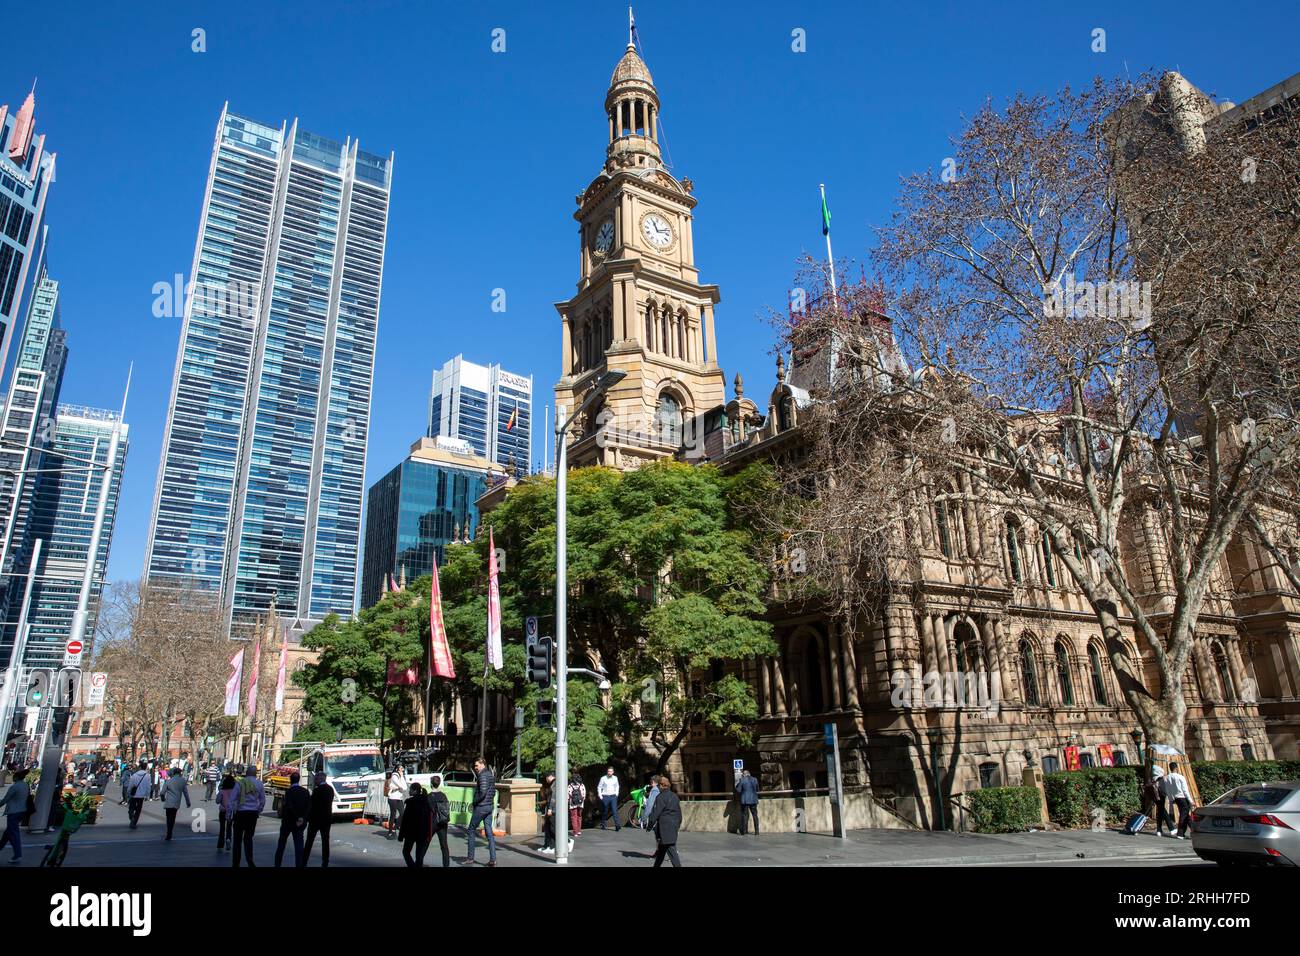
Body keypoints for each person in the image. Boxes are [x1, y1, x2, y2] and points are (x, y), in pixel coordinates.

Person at [463, 757, 497, 866]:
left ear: (483, 764)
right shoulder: (490, 775)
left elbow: (482, 792)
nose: (475, 767)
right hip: (489, 807)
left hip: (481, 807)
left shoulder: (482, 775)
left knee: (471, 830)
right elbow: (493, 792)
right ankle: (493, 859)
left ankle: (470, 858)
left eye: (477, 765)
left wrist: (474, 802)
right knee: (489, 833)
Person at [41, 792, 89, 867]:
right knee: (63, 838)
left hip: (66, 822)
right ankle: (56, 854)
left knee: (61, 838)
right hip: (69, 824)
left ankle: (54, 854)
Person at [231, 765, 266, 867]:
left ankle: (236, 862)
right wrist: (258, 811)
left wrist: (230, 812)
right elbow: (262, 800)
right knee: (248, 838)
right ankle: (249, 859)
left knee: (237, 839)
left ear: (246, 773)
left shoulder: (239, 783)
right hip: (252, 814)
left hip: (240, 813)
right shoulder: (259, 784)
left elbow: (232, 799)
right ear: (255, 773)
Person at [274, 771, 310, 867]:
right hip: (300, 823)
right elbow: (308, 806)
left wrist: (296, 817)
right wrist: (302, 818)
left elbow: (289, 806)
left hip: (288, 822)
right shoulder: (305, 791)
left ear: (290, 781)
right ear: (299, 780)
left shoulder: (289, 792)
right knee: (299, 847)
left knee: (281, 845)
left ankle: (277, 864)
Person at [647, 774, 682, 867]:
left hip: (664, 828)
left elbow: (655, 813)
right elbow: (679, 813)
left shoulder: (660, 797)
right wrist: (677, 826)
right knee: (661, 852)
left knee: (672, 852)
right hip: (673, 826)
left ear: (662, 786)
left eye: (659, 786)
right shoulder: (675, 796)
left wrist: (649, 825)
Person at [304, 772, 335, 867]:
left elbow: (312, 804)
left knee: (309, 841)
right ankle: (325, 861)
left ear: (319, 779)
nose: (314, 781)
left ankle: (304, 860)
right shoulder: (330, 789)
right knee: (325, 841)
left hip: (315, 820)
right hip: (326, 819)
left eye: (315, 779)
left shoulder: (317, 791)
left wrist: (307, 817)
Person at [0, 767, 30, 863]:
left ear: (16, 777)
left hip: (13, 812)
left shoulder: (14, 787)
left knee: (13, 834)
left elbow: (5, 800)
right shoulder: (25, 785)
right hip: (21, 811)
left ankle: (17, 855)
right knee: (8, 833)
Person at [399, 782, 433, 867]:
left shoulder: (411, 802)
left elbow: (405, 821)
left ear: (414, 791)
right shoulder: (426, 802)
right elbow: (429, 819)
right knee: (419, 856)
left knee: (406, 852)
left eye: (410, 789)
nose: (409, 791)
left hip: (411, 832)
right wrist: (428, 833)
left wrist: (401, 835)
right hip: (422, 833)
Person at [1162, 762, 1194, 839]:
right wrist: (1190, 800)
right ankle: (1180, 833)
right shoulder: (1180, 777)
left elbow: (1168, 790)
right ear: (1176, 768)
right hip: (1183, 797)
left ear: (1170, 768)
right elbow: (1185, 790)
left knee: (1186, 815)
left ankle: (1195, 830)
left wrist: (1171, 799)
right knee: (1184, 815)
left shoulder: (1166, 778)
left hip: (1176, 798)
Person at [161, 766, 192, 840]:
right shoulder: (183, 781)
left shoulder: (168, 781)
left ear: (173, 773)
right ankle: (170, 832)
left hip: (168, 802)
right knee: (173, 817)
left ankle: (168, 832)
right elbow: (185, 793)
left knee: (168, 818)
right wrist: (188, 802)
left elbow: (162, 793)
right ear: (180, 773)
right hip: (176, 803)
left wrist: (163, 799)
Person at [427, 774, 451, 868]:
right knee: (444, 846)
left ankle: (418, 861)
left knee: (425, 843)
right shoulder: (443, 795)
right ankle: (446, 865)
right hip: (443, 823)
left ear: (431, 784)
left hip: (432, 823)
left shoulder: (429, 796)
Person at [385, 764, 408, 840]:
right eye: (401, 768)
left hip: (399, 798)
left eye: (403, 768)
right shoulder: (394, 776)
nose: (403, 769)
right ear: (397, 769)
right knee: (393, 814)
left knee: (403, 814)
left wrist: (401, 777)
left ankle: (394, 828)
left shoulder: (401, 776)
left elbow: (405, 787)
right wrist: (399, 784)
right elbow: (401, 786)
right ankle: (390, 832)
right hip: (393, 797)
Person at [127, 760, 151, 829]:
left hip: (134, 795)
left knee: (131, 808)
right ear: (146, 768)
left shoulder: (134, 775)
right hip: (141, 796)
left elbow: (130, 785)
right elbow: (148, 786)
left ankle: (132, 819)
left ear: (140, 767)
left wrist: (128, 792)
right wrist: (147, 795)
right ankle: (134, 822)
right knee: (138, 810)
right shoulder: (147, 776)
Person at [735, 769, 760, 835]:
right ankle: (757, 831)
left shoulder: (742, 780)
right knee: (755, 815)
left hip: (745, 800)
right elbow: (757, 789)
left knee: (745, 816)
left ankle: (744, 831)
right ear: (749, 774)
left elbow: (739, 790)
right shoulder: (755, 779)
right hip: (754, 800)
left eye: (742, 774)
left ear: (744, 774)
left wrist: (736, 785)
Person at [216, 774, 237, 851]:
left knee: (222, 828)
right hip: (231, 811)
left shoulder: (222, 791)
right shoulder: (234, 791)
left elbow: (217, 801)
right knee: (229, 827)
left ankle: (220, 844)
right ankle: (228, 839)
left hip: (223, 811)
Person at [597, 767, 621, 831]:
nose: (609, 772)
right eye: (608, 771)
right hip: (605, 796)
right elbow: (599, 787)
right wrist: (600, 796)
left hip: (613, 796)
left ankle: (617, 825)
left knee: (614, 810)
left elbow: (617, 786)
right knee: (605, 811)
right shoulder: (603, 778)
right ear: (607, 772)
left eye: (611, 771)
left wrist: (616, 794)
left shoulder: (615, 778)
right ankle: (603, 823)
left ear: (613, 772)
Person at [540, 773, 557, 853]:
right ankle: (548, 845)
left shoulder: (555, 784)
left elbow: (553, 797)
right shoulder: (553, 784)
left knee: (552, 828)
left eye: (546, 777)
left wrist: (550, 809)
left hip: (553, 810)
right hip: (551, 809)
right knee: (548, 828)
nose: (546, 780)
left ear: (550, 776)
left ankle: (565, 841)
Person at [567, 771, 586, 837]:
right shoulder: (582, 785)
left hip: (572, 804)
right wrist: (581, 800)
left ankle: (575, 832)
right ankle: (579, 831)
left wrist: (568, 801)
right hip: (580, 803)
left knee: (573, 817)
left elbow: (568, 796)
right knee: (579, 816)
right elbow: (584, 795)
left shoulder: (570, 786)